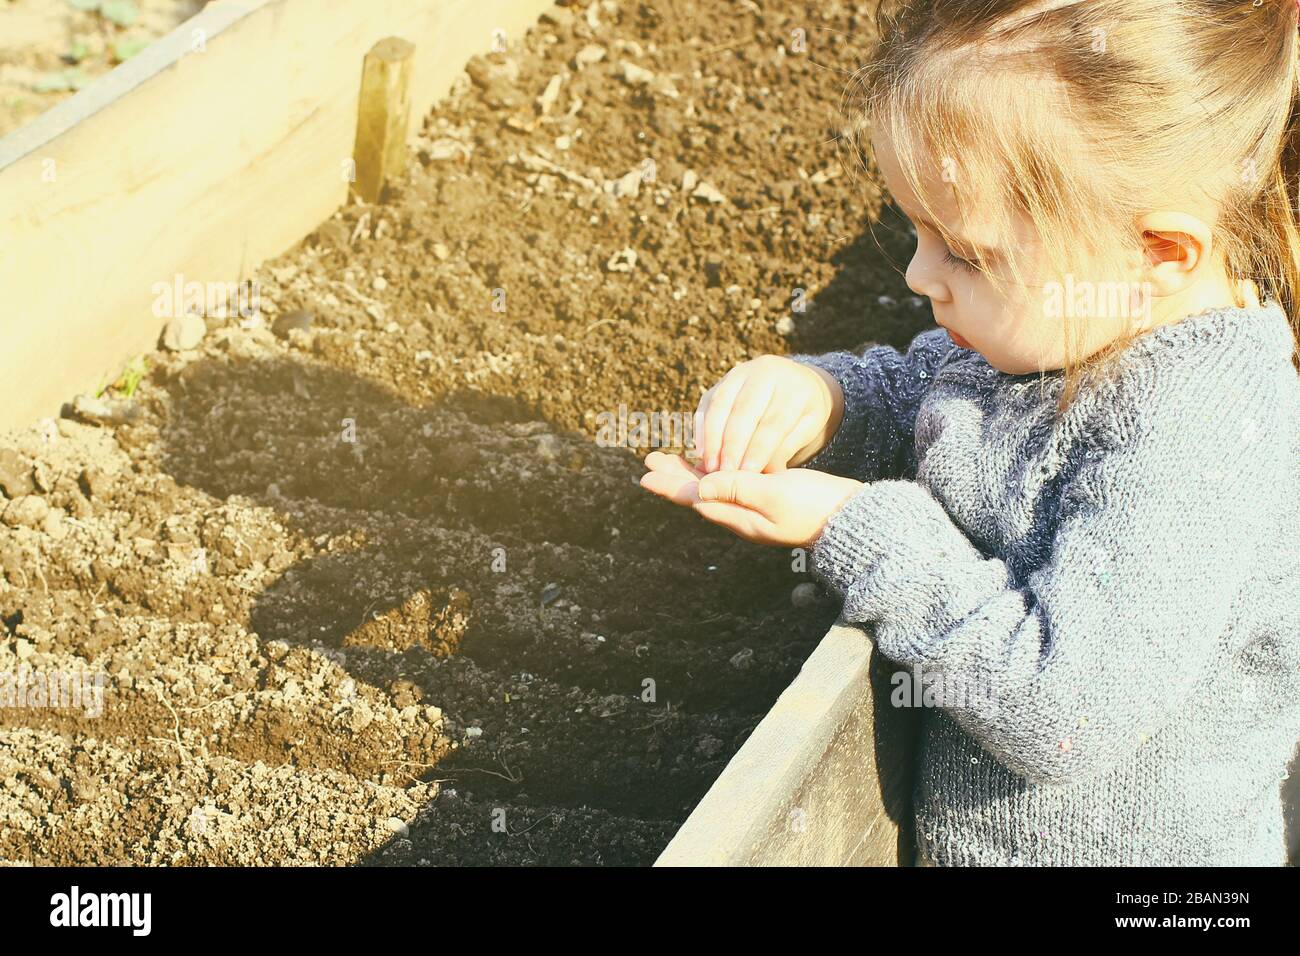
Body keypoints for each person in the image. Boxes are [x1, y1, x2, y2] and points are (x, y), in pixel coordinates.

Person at [640, 0, 1300, 866]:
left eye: (966, 251)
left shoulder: (1198, 436)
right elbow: (942, 394)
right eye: (917, 231)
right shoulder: (1073, 324)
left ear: (1160, 253)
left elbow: (1064, 714)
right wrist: (826, 399)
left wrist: (857, 529)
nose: (919, 274)